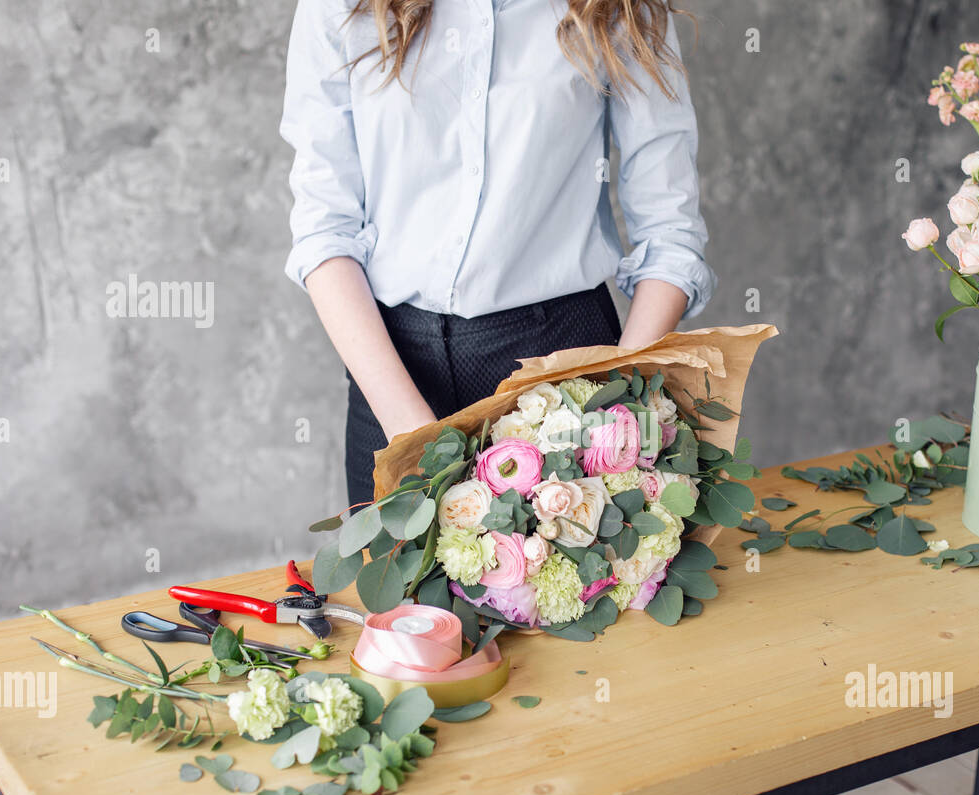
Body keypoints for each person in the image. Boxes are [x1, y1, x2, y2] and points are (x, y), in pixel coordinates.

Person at [281, 0, 715, 506]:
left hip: (568, 375)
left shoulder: (617, 7)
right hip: (391, 373)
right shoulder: (340, 7)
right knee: (386, 584)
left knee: (570, 585)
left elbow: (671, 231)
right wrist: (413, 438)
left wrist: (613, 411)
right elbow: (324, 227)